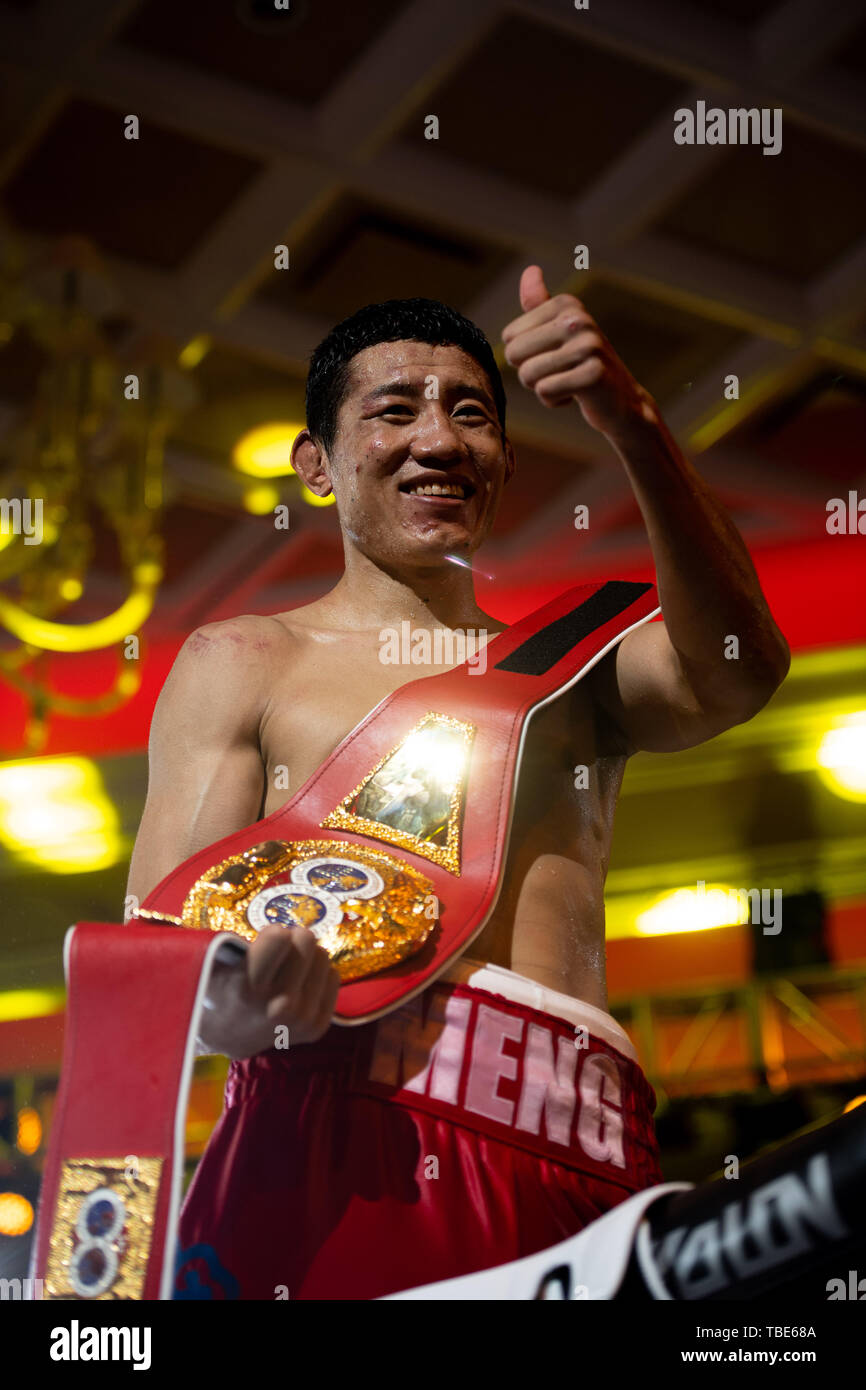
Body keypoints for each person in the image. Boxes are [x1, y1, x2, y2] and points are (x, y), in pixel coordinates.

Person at [126, 266, 790, 1299]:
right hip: (322, 1142)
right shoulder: (243, 658)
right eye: (393, 410)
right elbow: (157, 958)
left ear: (503, 460)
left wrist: (635, 424)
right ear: (316, 464)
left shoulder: (578, 667)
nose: (437, 439)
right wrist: (250, 999)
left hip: (576, 1153)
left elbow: (740, 667)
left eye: (469, 414)